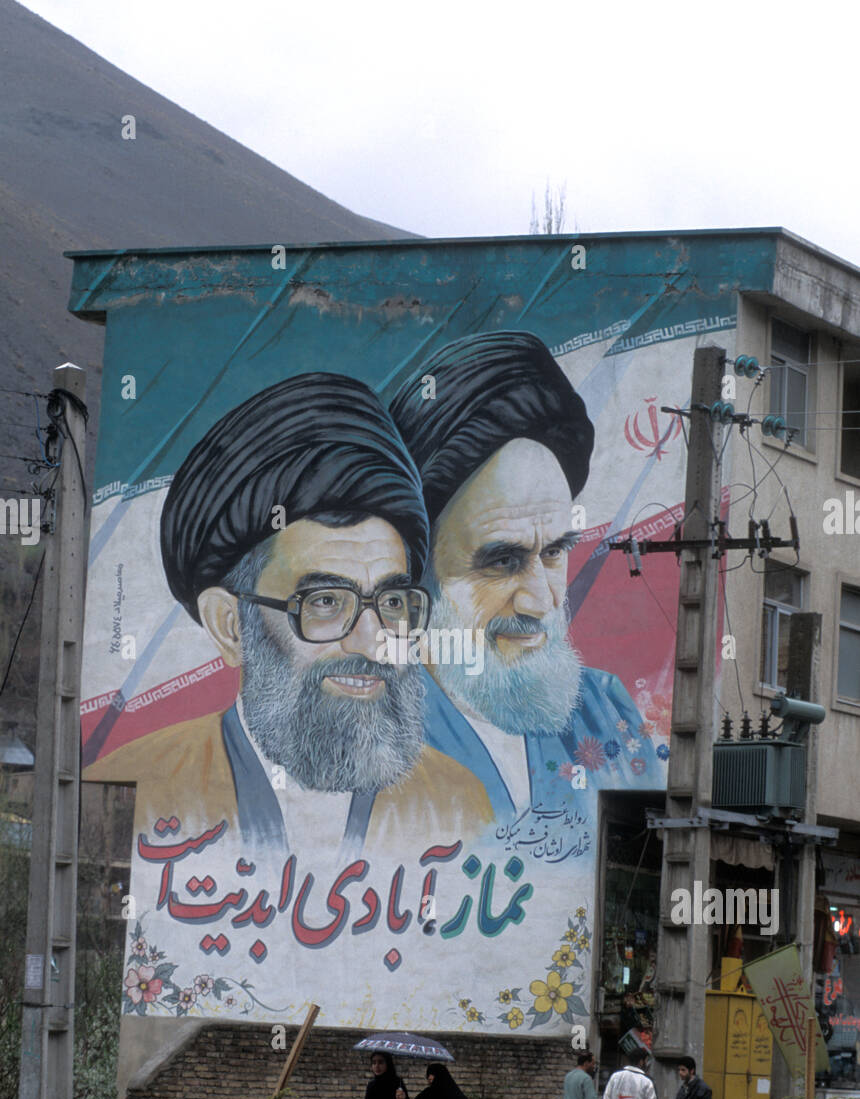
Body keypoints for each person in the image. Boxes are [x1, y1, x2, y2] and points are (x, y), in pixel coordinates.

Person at [83, 373, 492, 858]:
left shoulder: (458, 804)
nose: (372, 642)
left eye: (392, 603)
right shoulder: (147, 786)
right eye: (324, 602)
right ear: (229, 626)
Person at [389, 332, 663, 826]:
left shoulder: (603, 713)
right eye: (501, 562)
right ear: (415, 577)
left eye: (555, 552)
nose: (540, 601)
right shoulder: (368, 732)